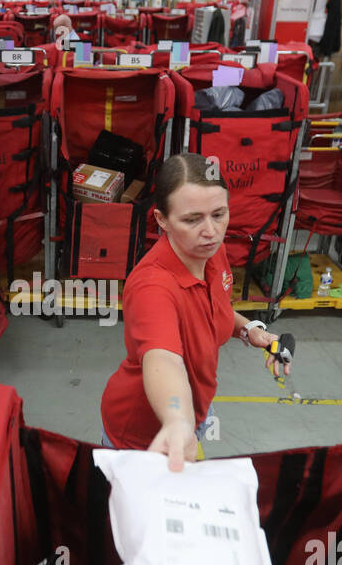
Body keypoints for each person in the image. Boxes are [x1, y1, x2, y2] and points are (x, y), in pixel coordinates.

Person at [100, 154, 292, 471]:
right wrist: (177, 420)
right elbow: (164, 358)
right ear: (161, 220)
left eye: (219, 214)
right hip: (147, 437)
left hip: (198, 409)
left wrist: (249, 330)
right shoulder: (153, 288)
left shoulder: (211, 254)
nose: (210, 231)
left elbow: (214, 308)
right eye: (192, 219)